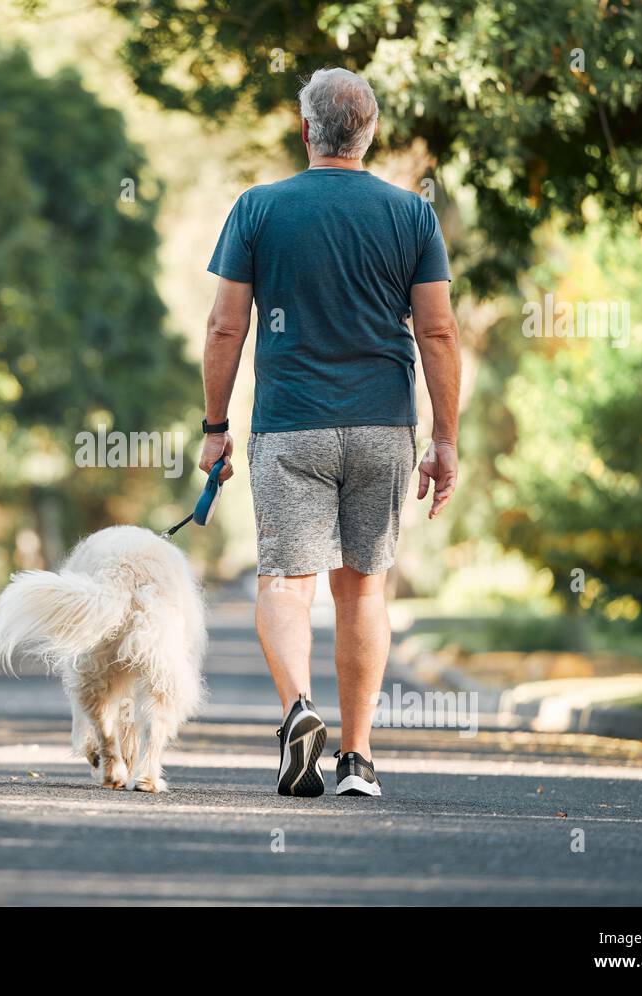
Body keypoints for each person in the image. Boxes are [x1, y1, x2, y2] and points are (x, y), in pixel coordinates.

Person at [198, 68, 460, 798]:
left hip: (291, 426)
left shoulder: (258, 208)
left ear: (304, 127)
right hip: (383, 423)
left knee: (286, 581)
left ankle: (297, 713)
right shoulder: (412, 215)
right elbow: (437, 330)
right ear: (370, 132)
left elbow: (226, 325)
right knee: (364, 590)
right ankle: (358, 759)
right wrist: (446, 439)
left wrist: (214, 428)